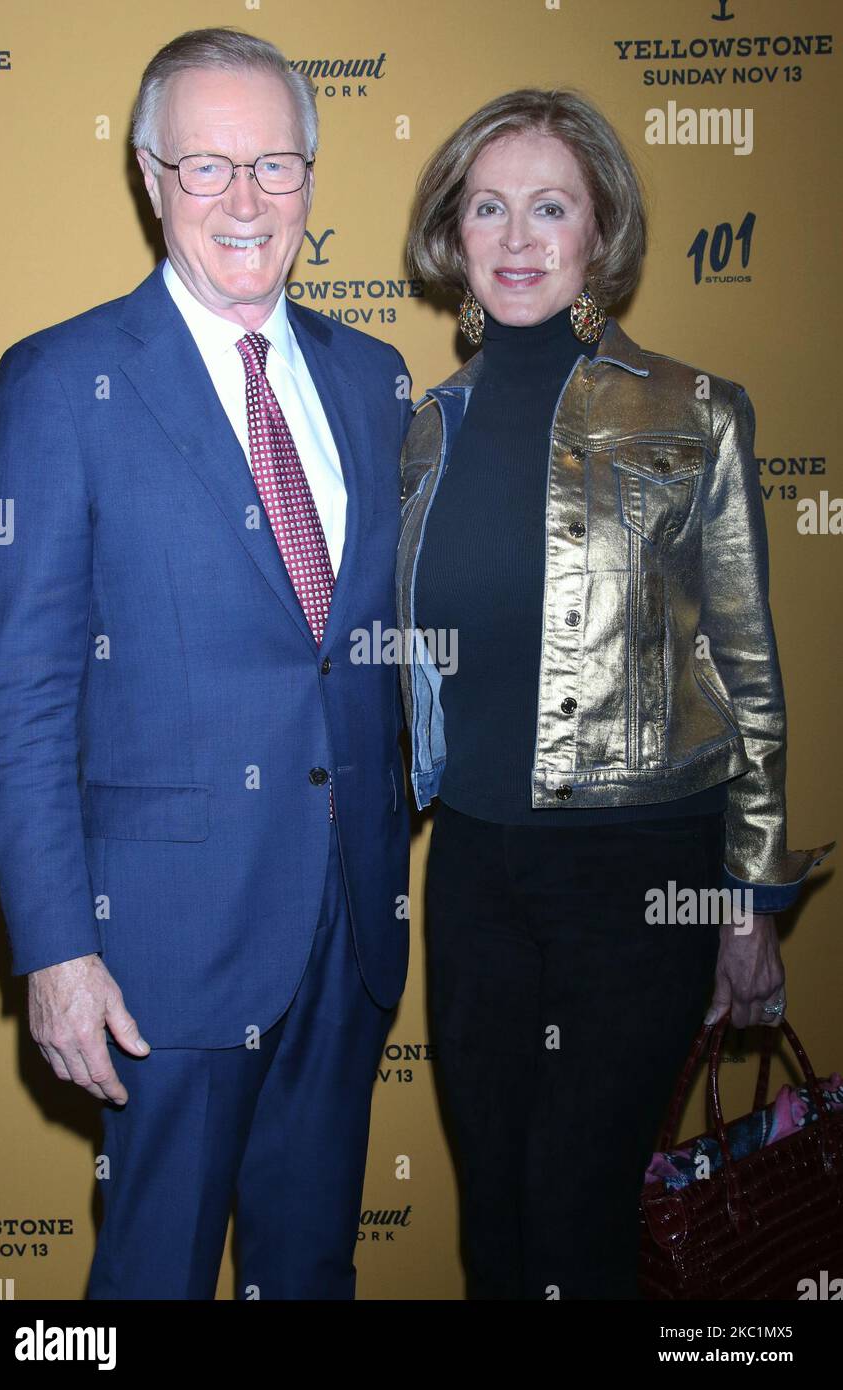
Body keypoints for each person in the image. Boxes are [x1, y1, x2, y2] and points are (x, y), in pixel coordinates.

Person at [0, 27, 411, 1300]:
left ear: (313, 182)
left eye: (273, 166)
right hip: (158, 948)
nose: (243, 199)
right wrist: (54, 952)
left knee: (310, 1267)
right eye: (207, 166)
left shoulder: (375, 380)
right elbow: (22, 692)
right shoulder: (60, 384)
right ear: (150, 175)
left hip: (347, 924)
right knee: (152, 1278)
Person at [397, 87, 835, 1300]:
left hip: (643, 875)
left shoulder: (694, 413)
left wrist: (745, 901)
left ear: (599, 234)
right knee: (495, 1220)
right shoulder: (418, 435)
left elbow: (747, 668)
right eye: (488, 206)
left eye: (551, 206)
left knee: (578, 1216)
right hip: (475, 870)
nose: (518, 236)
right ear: (452, 233)